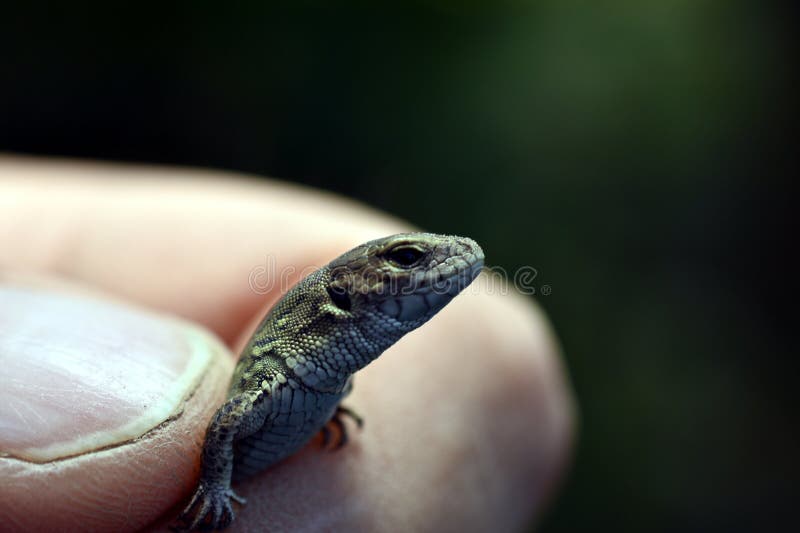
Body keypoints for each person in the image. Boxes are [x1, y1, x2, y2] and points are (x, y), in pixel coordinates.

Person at [0, 156, 574, 532]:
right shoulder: (289, 370)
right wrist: (216, 486)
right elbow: (224, 426)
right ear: (349, 292)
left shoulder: (333, 373)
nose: (455, 257)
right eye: (406, 259)